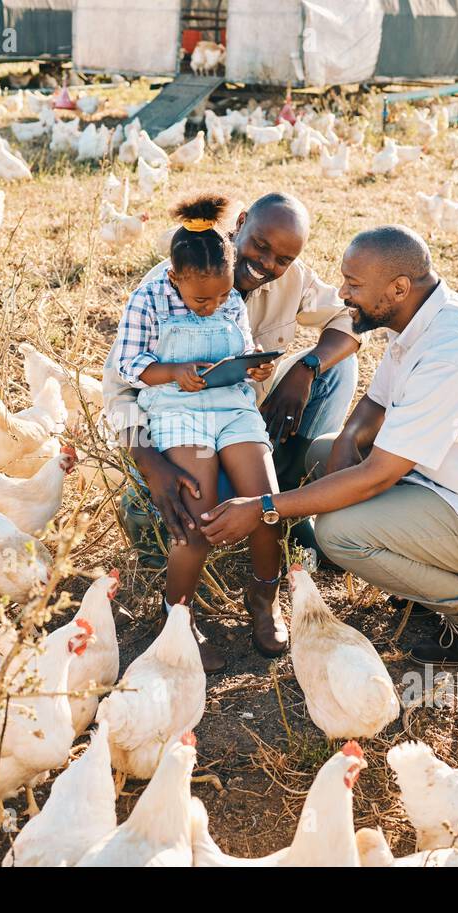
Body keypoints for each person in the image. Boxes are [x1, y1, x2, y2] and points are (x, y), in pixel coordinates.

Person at [200, 225, 458, 667]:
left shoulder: (453, 354)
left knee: (340, 534)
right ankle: (422, 573)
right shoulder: (418, 314)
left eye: (353, 284)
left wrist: (263, 508)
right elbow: (377, 401)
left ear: (398, 287)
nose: (342, 292)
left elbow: (378, 476)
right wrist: (349, 440)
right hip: (450, 479)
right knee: (321, 454)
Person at [103, 192, 362, 561]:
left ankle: (284, 499)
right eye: (259, 245)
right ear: (240, 224)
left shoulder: (294, 279)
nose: (266, 263)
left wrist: (305, 370)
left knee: (337, 366)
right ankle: (158, 514)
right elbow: (119, 392)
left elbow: (351, 317)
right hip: (179, 428)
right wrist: (149, 462)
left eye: (283, 259)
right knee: (175, 502)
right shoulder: (168, 284)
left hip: (242, 425)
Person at [113, 194, 286, 672]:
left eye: (221, 297)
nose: (212, 308)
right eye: (200, 300)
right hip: (177, 409)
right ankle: (179, 615)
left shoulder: (229, 298)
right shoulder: (149, 297)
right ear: (174, 279)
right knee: (196, 519)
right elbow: (128, 365)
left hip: (230, 405)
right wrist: (172, 371)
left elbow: (242, 346)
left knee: (266, 503)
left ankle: (263, 597)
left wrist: (254, 368)